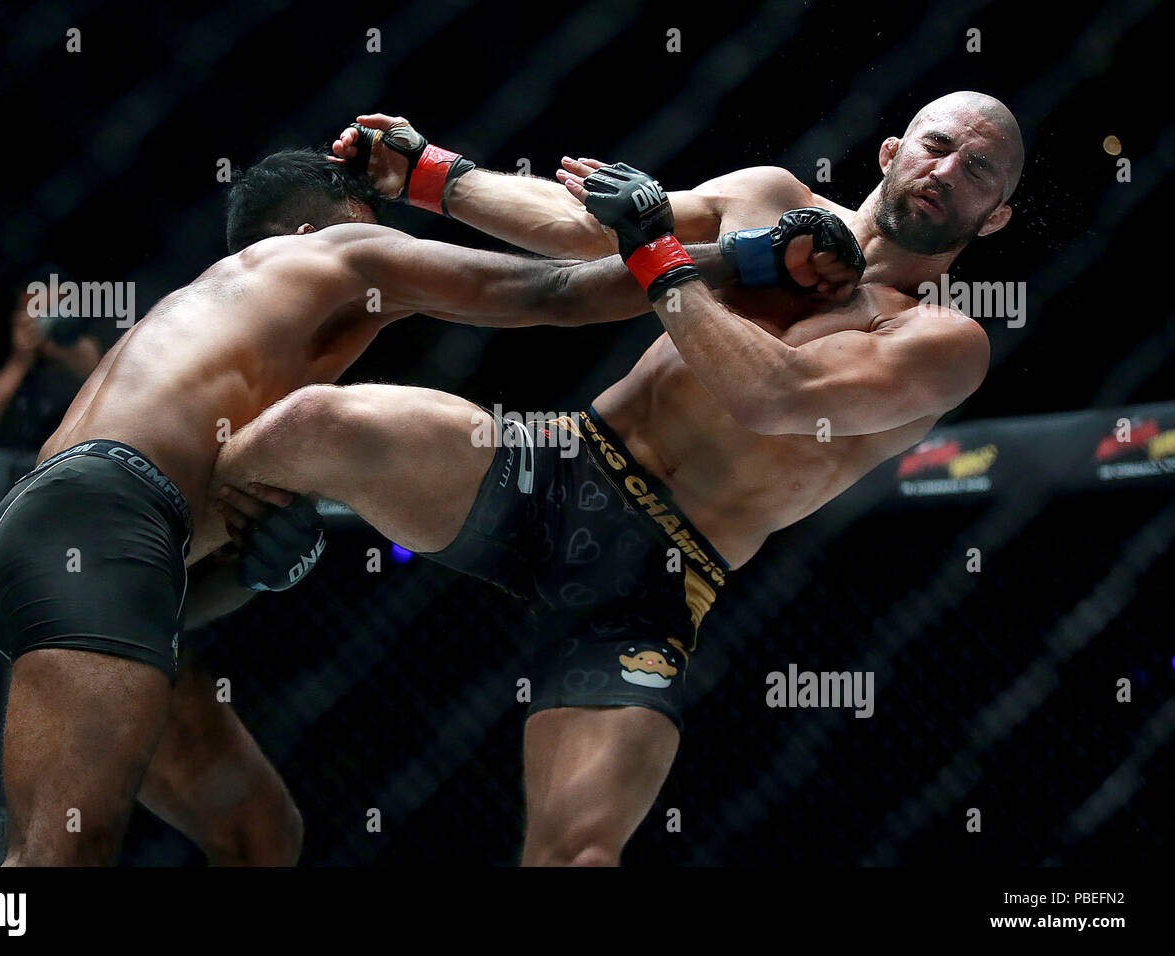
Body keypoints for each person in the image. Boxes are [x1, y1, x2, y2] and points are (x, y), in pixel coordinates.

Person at [212, 91, 1021, 864]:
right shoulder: (769, 199)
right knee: (308, 424)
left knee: (579, 852)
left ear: (996, 216)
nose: (947, 171)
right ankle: (147, 570)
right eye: (938, 145)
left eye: (978, 170)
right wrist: (428, 171)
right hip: (561, 465)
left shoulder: (946, 341)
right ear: (894, 150)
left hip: (657, 578)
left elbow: (776, 395)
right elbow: (581, 230)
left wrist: (658, 253)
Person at [0, 146, 680, 866]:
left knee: (260, 837)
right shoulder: (336, 249)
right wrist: (730, 257)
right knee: (58, 860)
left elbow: (169, 599)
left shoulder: (224, 348)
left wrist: (252, 574)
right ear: (337, 221)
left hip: (79, 547)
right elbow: (561, 291)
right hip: (103, 522)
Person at [0, 281, 102, 450]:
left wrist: (75, 354)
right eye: (37, 314)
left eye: (55, 313)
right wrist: (19, 363)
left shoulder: (86, 352)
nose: (48, 322)